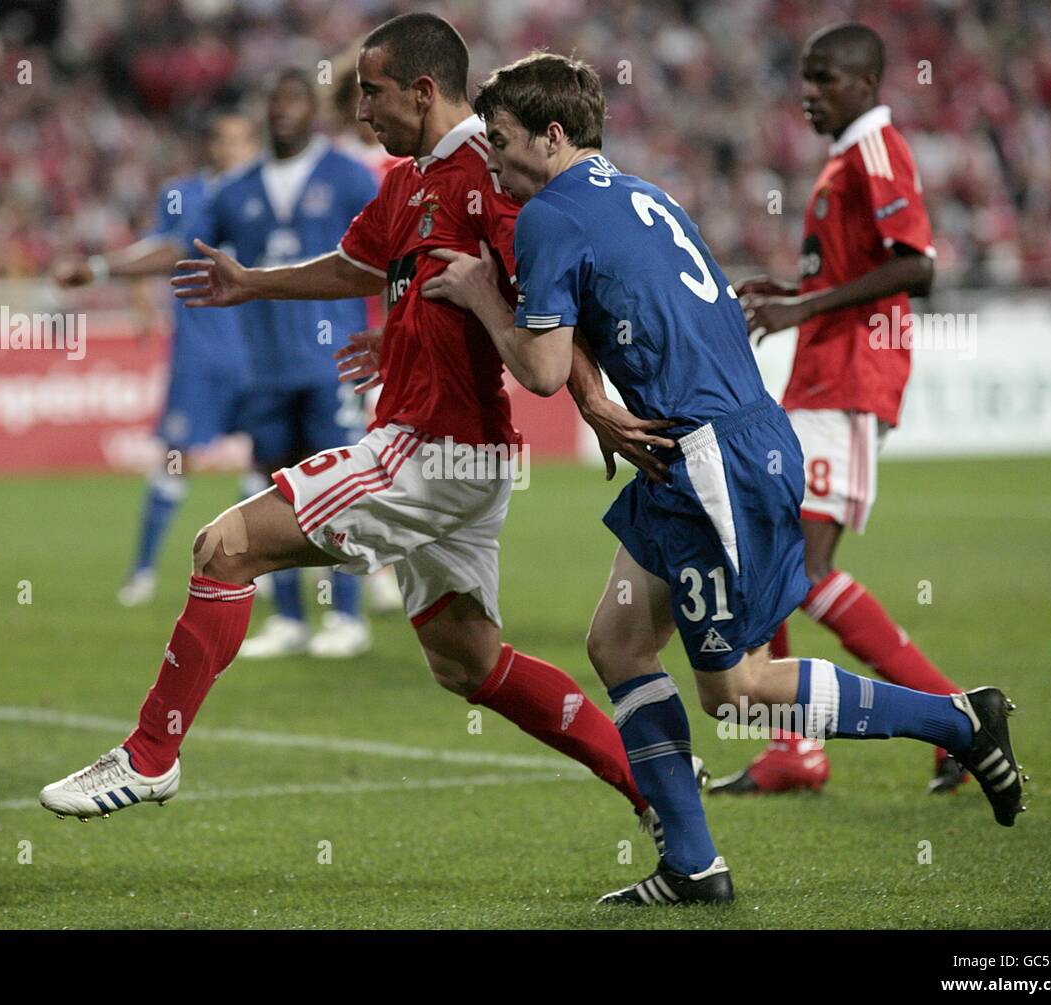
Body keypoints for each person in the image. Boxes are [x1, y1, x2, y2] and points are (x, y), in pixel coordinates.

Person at [419, 50, 1025, 906]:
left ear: (552, 137)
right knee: (617, 644)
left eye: (506, 142)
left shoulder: (551, 214)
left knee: (735, 691)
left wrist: (484, 293)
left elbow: (547, 368)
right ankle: (693, 865)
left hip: (709, 462)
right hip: (708, 446)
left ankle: (957, 718)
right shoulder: (643, 194)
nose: (493, 160)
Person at [38, 15, 656, 847]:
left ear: (424, 90)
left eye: (372, 92)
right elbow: (359, 266)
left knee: (224, 547)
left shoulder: (490, 171)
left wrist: (594, 401)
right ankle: (652, 785)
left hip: (429, 446)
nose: (360, 110)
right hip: (463, 456)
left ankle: (150, 755)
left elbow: (550, 298)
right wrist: (259, 283)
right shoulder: (409, 180)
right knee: (468, 662)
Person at [714, 22, 967, 795]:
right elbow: (861, 269)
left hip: (853, 379)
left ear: (865, 84)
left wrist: (807, 308)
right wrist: (796, 299)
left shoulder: (877, 153)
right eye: (805, 78)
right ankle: (793, 745)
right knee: (769, 548)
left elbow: (918, 267)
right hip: (821, 377)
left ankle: (954, 719)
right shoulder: (844, 160)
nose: (808, 93)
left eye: (824, 79)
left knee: (806, 566)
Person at [198, 69, 381, 660]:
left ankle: (346, 616)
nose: (282, 109)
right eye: (274, 98)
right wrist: (102, 269)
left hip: (332, 364)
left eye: (294, 99)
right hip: (265, 367)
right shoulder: (234, 190)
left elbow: (395, 255)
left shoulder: (351, 177)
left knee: (339, 494)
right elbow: (180, 242)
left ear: (314, 110)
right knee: (268, 490)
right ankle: (290, 619)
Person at [52, 111, 258, 609]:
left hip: (258, 354)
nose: (226, 148)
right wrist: (129, 290)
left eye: (237, 140)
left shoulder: (268, 195)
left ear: (254, 145)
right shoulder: (183, 194)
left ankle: (260, 570)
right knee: (174, 459)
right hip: (199, 352)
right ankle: (143, 570)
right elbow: (159, 248)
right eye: (219, 138)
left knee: (268, 464)